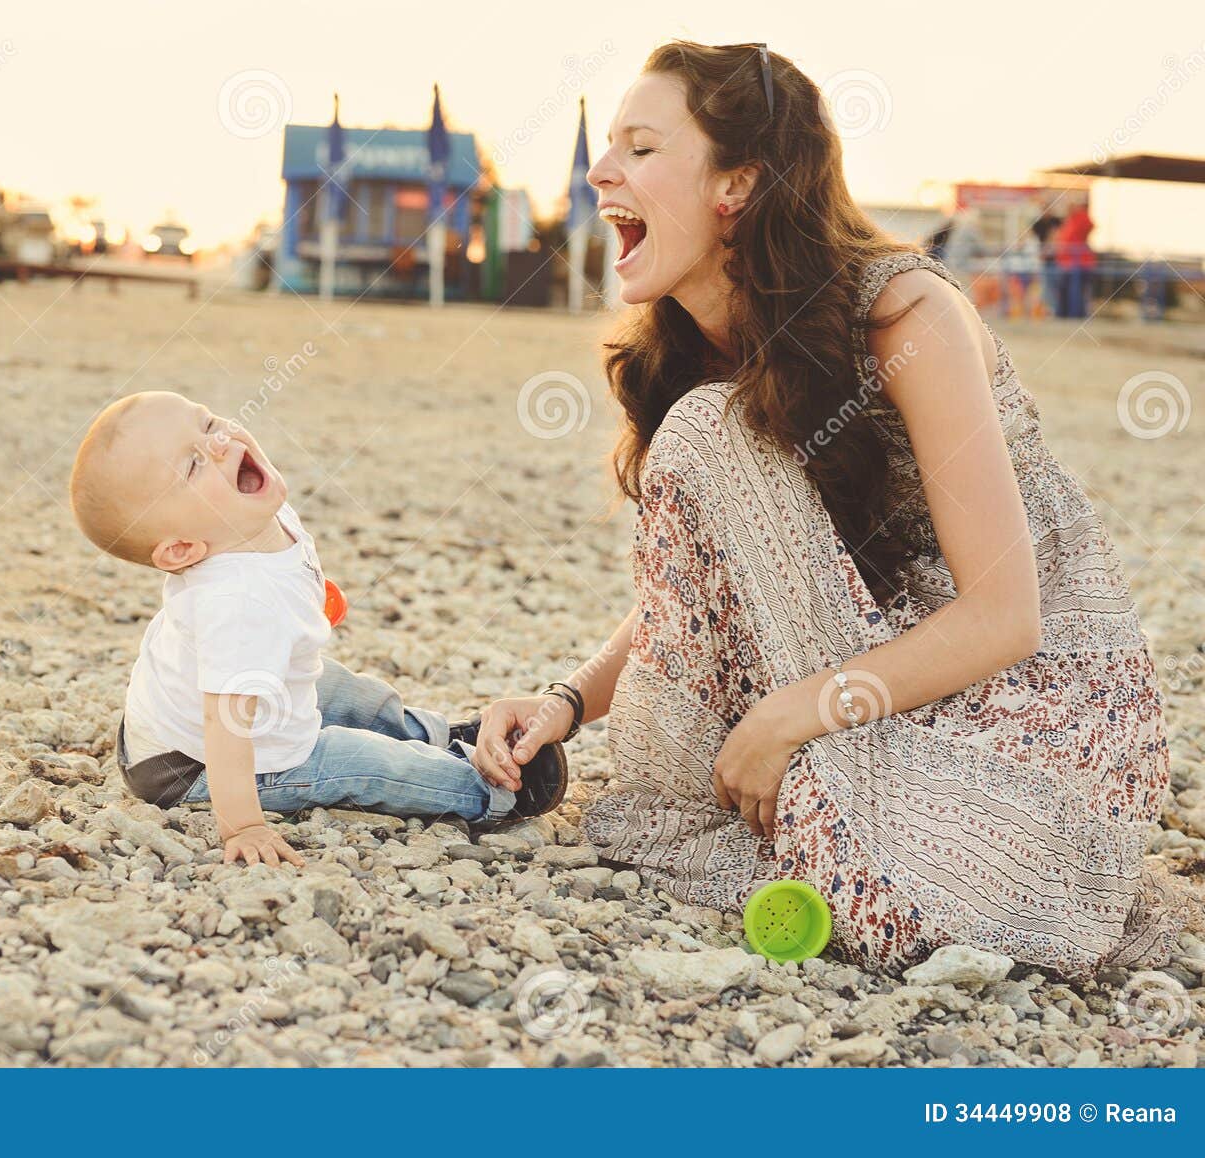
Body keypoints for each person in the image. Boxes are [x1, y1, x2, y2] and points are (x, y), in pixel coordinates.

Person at [471, 40, 1185, 978]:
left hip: (1033, 709)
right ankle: (853, 830)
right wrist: (567, 701)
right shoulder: (699, 350)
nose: (604, 170)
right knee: (675, 788)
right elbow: (714, 588)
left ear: (738, 182)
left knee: (895, 895)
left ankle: (930, 846)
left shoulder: (903, 315)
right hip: (872, 672)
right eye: (610, 147)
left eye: (641, 149)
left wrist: (796, 714)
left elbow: (1008, 616)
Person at [68, 391, 567, 867]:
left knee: (352, 694)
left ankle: (442, 734)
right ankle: (488, 790)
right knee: (359, 763)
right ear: (181, 550)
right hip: (190, 762)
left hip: (228, 698)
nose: (221, 441)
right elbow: (227, 725)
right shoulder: (235, 602)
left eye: (208, 421)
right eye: (195, 463)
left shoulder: (253, 514)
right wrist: (242, 826)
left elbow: (288, 576)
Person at [1055, 196, 1096, 318]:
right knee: (1065, 291)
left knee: (1076, 292)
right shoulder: (1069, 221)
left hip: (1078, 264)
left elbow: (1090, 226)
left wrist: (1079, 210)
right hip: (1066, 264)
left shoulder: (1082, 218)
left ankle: (1076, 316)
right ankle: (1063, 315)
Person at [1030, 197, 1063, 321]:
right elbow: (1031, 237)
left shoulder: (1057, 221)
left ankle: (1054, 310)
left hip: (1058, 259)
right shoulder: (1039, 224)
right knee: (1046, 286)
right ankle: (1049, 310)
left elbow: (1059, 236)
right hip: (1046, 260)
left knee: (1054, 285)